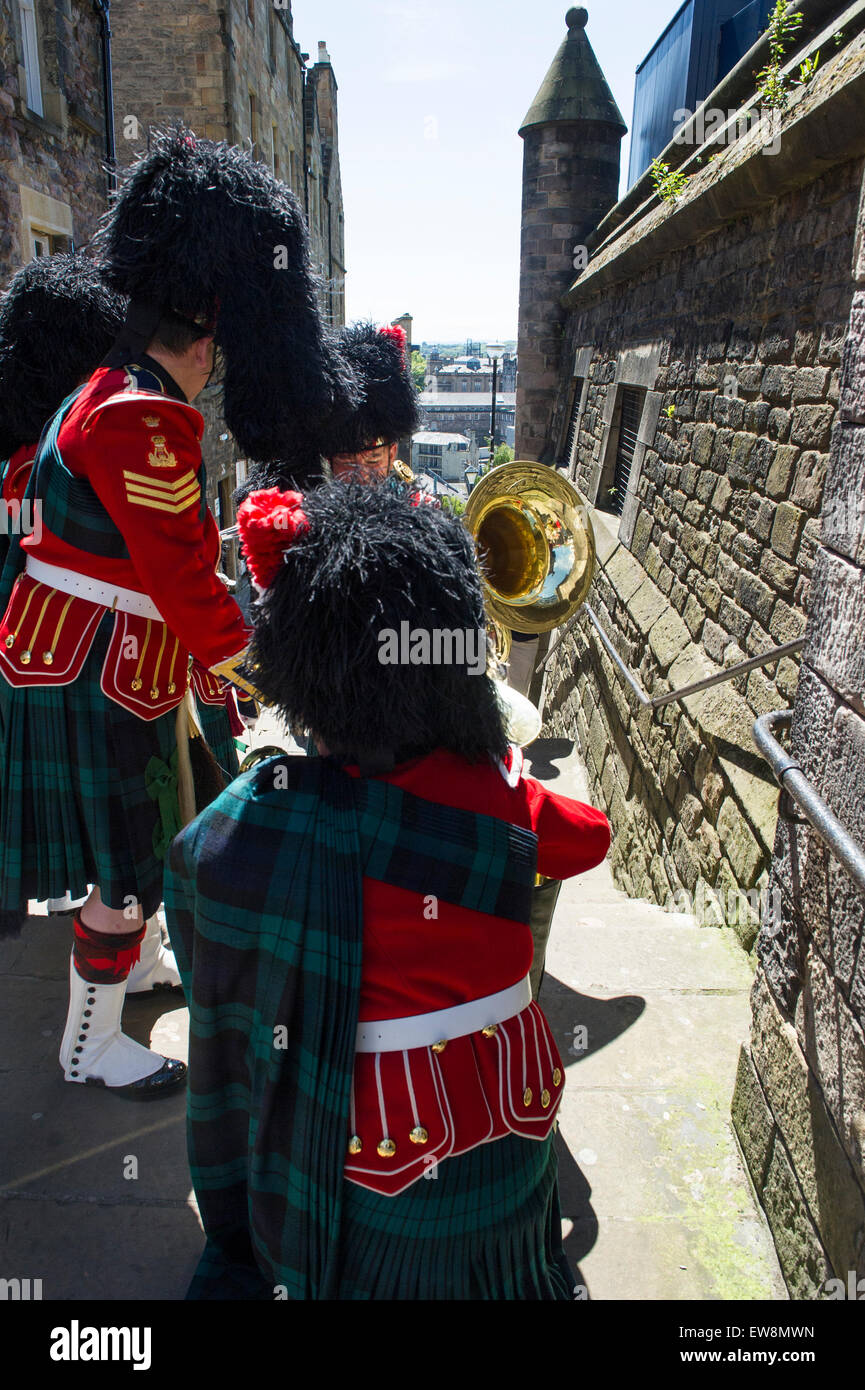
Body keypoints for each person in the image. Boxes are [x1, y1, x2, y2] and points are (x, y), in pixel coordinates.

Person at [164, 480, 610, 1299]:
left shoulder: (259, 816)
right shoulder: (505, 797)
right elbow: (589, 838)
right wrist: (493, 765)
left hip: (362, 1136)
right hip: (509, 1113)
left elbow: (199, 889)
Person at [0, 126, 358, 1098]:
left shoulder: (104, 390)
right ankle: (90, 1048)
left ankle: (134, 968)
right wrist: (281, 681)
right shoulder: (144, 415)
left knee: (136, 852)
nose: (219, 369)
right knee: (124, 871)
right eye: (220, 352)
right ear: (203, 336)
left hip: (88, 659)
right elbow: (189, 589)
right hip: (101, 672)